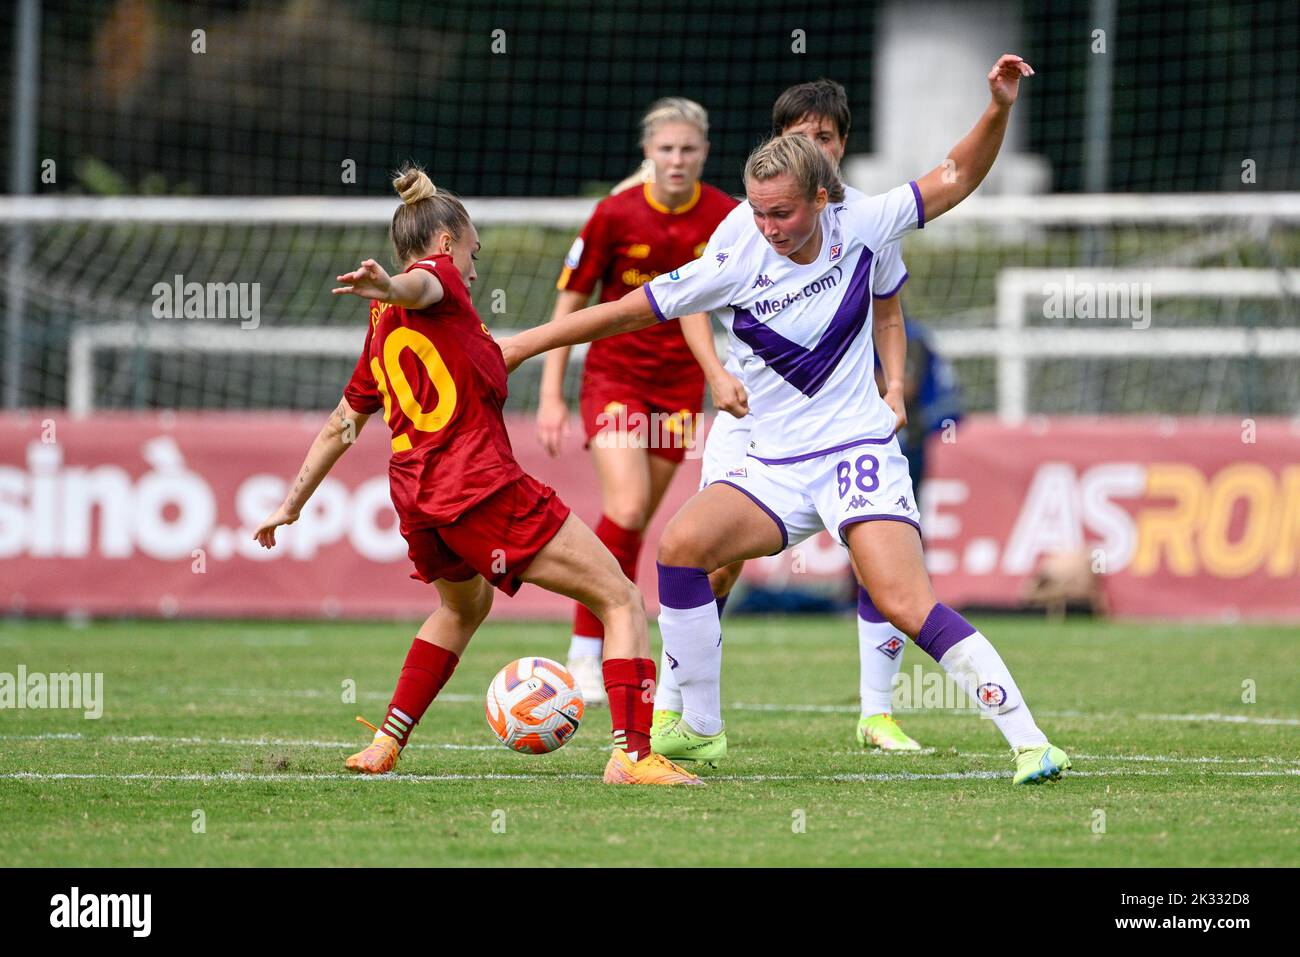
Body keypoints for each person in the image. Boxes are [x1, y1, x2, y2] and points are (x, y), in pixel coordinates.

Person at [501, 55, 1073, 785]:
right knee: (680, 548)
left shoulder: (863, 221)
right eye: (757, 209)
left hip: (857, 451)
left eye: (782, 213)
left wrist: (997, 108)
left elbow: (956, 177)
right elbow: (625, 311)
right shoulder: (737, 246)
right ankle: (701, 726)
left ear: (823, 196)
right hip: (772, 466)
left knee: (903, 601)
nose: (766, 226)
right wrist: (522, 343)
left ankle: (1030, 741)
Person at [253, 165, 703, 786]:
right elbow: (421, 286)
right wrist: (393, 283)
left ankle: (386, 742)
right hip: (479, 486)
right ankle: (631, 754)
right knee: (621, 597)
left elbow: (341, 423)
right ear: (444, 245)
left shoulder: (382, 328)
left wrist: (292, 503)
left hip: (418, 500)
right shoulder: (432, 283)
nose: (473, 267)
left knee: (463, 608)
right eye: (472, 252)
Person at [660, 79, 923, 763]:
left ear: (842, 144)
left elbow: (889, 309)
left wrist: (892, 386)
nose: (815, 148)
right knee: (710, 563)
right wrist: (716, 375)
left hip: (840, 424)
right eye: (801, 137)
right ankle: (675, 708)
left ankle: (878, 713)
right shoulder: (750, 220)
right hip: (755, 424)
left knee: (878, 556)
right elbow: (689, 298)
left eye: (826, 138)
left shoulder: (869, 217)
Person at [535, 98, 740, 705]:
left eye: (688, 149)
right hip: (615, 380)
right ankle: (583, 653)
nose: (677, 160)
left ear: (704, 152)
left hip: (681, 387)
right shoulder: (614, 215)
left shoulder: (728, 215)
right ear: (647, 153)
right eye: (666, 149)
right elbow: (570, 305)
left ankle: (609, 642)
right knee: (623, 510)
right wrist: (552, 394)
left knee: (637, 525)